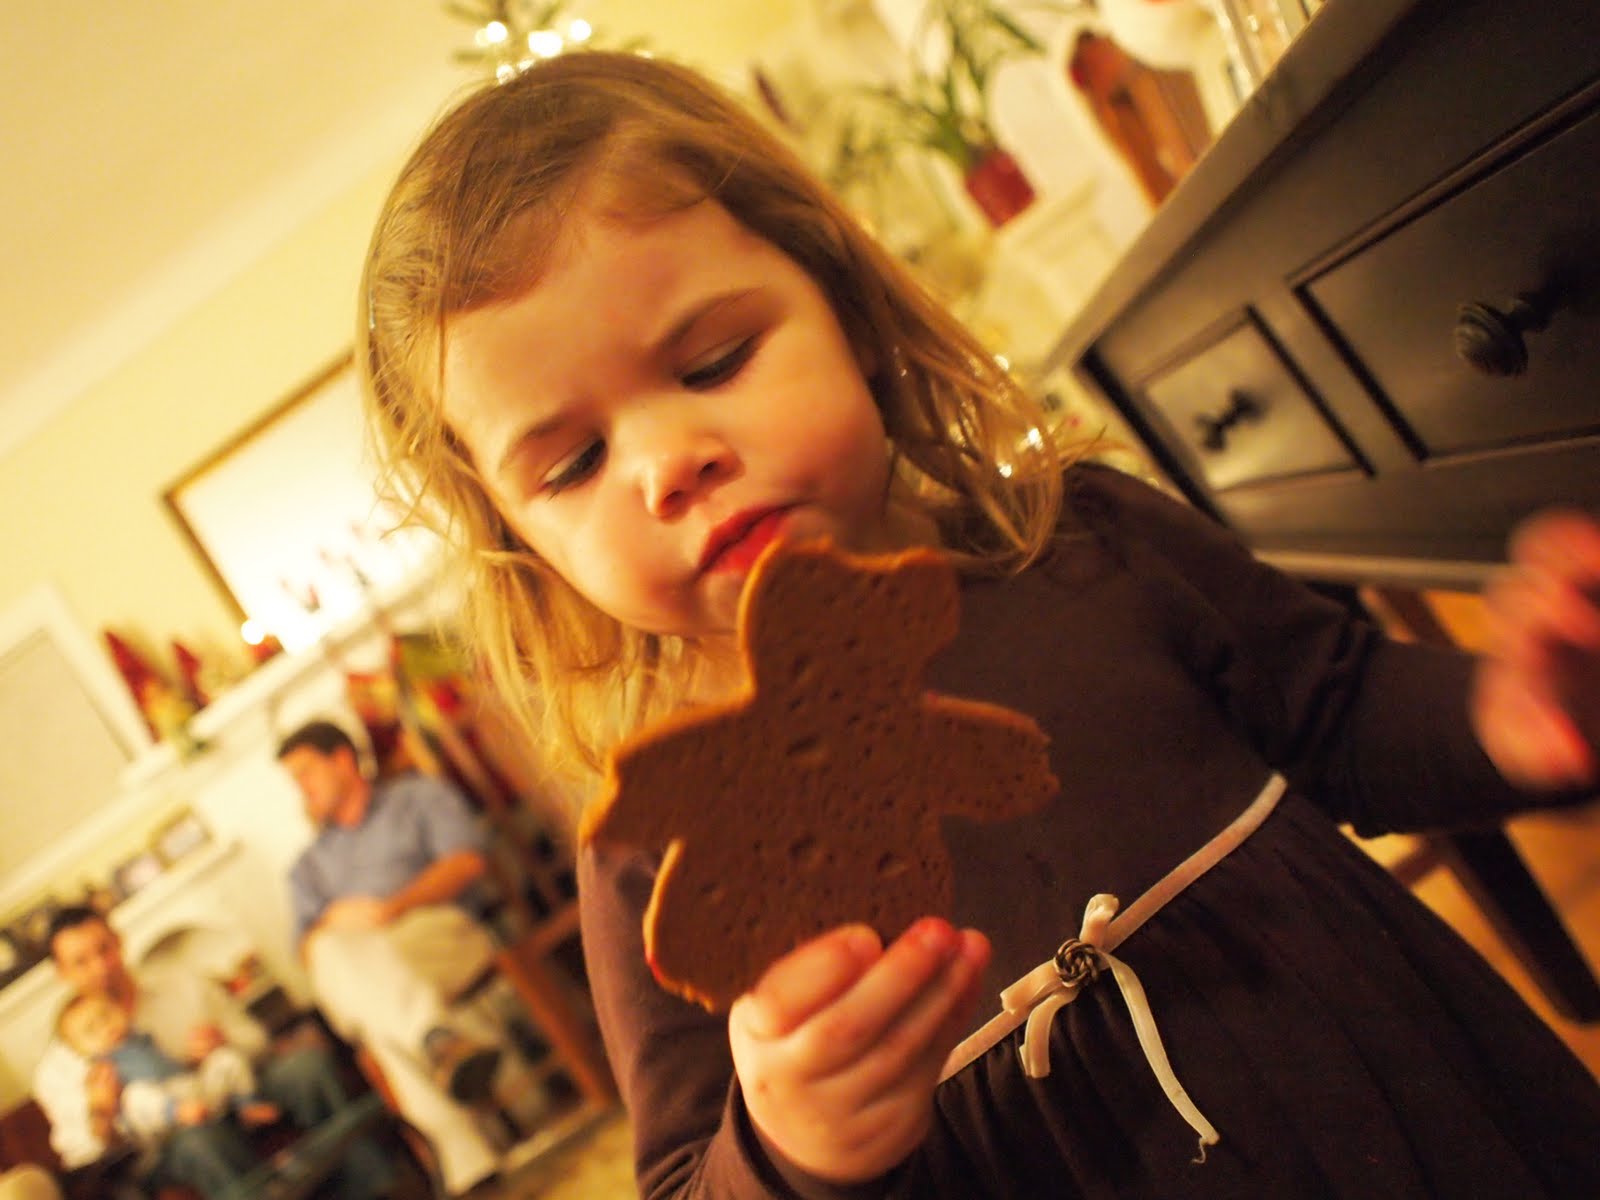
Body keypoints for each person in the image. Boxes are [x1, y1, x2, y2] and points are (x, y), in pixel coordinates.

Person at [356, 49, 1600, 1199]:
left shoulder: (1080, 538)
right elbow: (686, 1178)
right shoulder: (648, 849)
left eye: (715, 360)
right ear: (521, 546)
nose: (666, 464)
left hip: (1404, 1113)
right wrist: (788, 1146)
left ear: (844, 309)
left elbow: (1340, 710)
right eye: (572, 465)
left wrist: (1505, 714)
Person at [277, 719, 506, 1197]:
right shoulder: (307, 866)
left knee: (378, 1024)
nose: (300, 789)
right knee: (339, 959)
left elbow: (467, 861)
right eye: (293, 780)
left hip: (438, 932)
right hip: (365, 967)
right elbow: (305, 948)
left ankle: (470, 1168)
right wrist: (336, 920)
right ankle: (437, 1040)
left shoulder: (417, 798)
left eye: (306, 773)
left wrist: (391, 909)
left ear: (343, 760)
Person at [33, 907, 392, 1200]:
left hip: (235, 1092)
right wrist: (102, 1112)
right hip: (173, 1141)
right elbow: (83, 1157)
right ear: (62, 973)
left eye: (104, 949)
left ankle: (375, 1188)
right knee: (201, 1142)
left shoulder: (181, 984)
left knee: (308, 1067)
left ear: (119, 942)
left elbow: (256, 1041)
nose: (101, 967)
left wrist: (224, 1044)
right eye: (81, 961)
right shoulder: (60, 1066)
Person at [55, 990, 279, 1143]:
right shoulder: (102, 1069)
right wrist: (102, 1107)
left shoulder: (145, 1037)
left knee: (224, 1059)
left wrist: (198, 1060)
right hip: (161, 1116)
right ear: (80, 1051)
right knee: (135, 1096)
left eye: (106, 1015)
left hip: (190, 1090)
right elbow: (113, 1122)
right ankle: (179, 1112)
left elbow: (173, 1066)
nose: (105, 1027)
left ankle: (247, 1104)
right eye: (91, 1030)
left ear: (120, 1011)